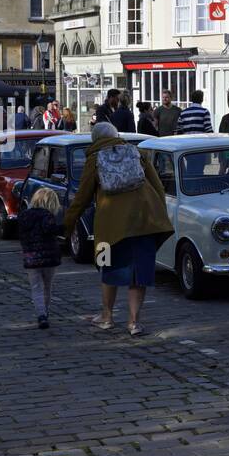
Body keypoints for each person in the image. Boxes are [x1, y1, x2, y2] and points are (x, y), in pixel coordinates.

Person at [63, 122, 173, 336]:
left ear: (95, 139)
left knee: (106, 268)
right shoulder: (137, 152)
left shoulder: (94, 159)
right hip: (145, 222)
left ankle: (107, 317)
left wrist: (68, 225)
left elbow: (82, 197)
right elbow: (158, 186)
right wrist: (159, 213)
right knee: (139, 274)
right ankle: (133, 323)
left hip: (108, 228)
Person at [17, 188, 62, 329]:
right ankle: (46, 312)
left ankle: (41, 314)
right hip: (49, 258)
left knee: (35, 287)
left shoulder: (24, 216)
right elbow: (50, 230)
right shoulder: (47, 216)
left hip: (31, 257)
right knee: (47, 286)